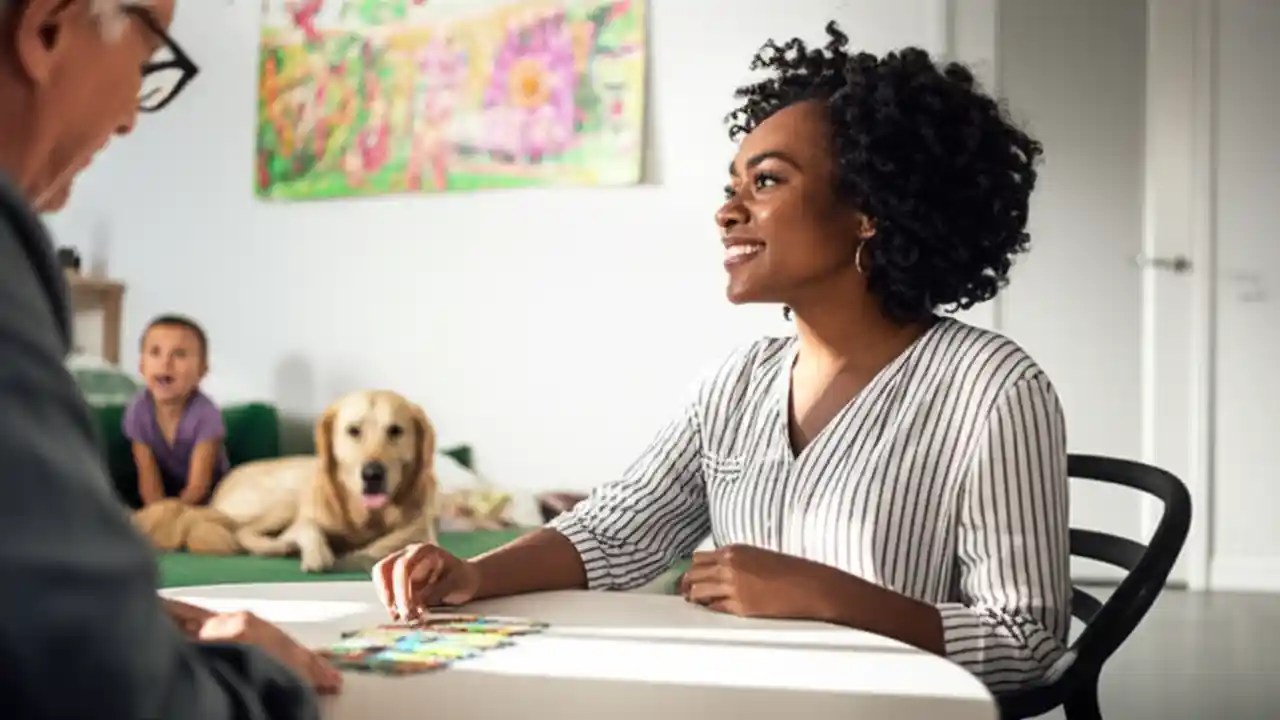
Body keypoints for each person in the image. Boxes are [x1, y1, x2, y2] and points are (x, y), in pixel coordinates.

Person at [374, 22, 1071, 696]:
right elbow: (615, 531)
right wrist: (474, 574)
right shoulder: (738, 382)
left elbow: (1028, 642)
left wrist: (827, 596)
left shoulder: (993, 388)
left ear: (869, 210)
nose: (727, 211)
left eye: (765, 182)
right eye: (732, 185)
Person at [0, 0, 339, 717]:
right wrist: (255, 677)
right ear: (47, 28)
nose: (131, 117)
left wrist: (128, 612)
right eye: (149, 58)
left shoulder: (208, 417)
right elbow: (107, 684)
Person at [127, 314, 231, 506]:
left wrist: (172, 514)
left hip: (209, 501)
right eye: (155, 352)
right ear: (141, 366)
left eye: (180, 354)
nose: (166, 362)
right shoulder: (138, 410)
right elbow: (148, 481)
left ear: (202, 370)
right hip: (164, 502)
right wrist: (159, 511)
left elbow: (198, 488)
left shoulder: (206, 414)